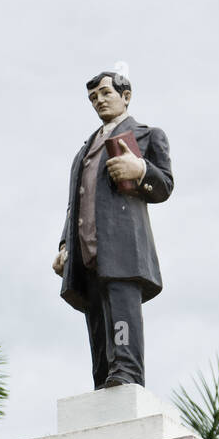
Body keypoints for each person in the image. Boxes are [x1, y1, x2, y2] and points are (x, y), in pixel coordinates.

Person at [53, 70, 173, 388]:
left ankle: (127, 373)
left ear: (126, 96)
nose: (99, 101)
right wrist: (65, 245)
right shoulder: (84, 150)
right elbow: (73, 203)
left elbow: (165, 186)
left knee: (121, 310)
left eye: (106, 93)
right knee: (95, 319)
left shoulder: (148, 136)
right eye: (93, 97)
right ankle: (102, 378)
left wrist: (141, 168)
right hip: (86, 249)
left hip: (121, 244)